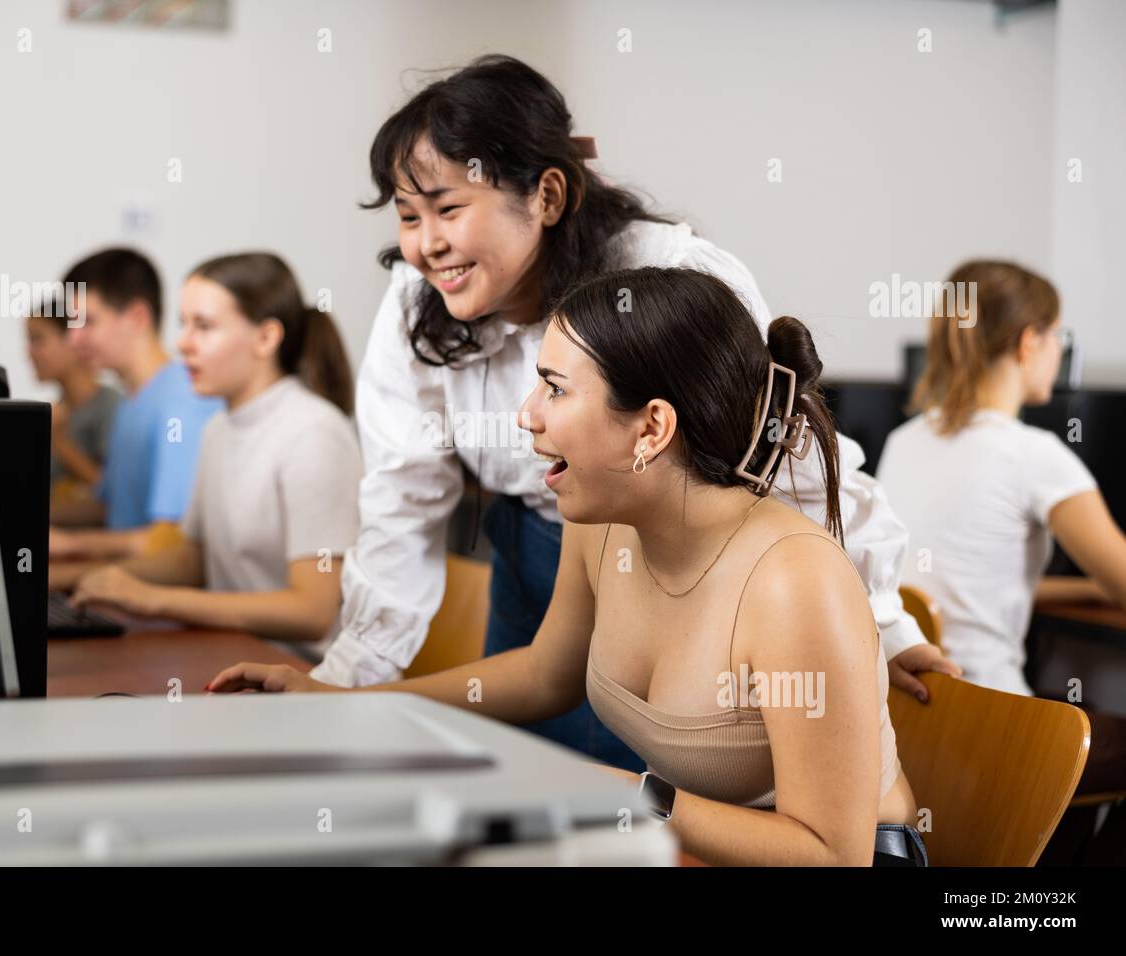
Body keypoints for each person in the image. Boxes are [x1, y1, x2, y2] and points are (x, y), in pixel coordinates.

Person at [307, 53, 952, 773]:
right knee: (518, 773)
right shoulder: (420, 298)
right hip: (541, 546)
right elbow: (401, 498)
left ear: (547, 196)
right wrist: (344, 683)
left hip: (671, 562)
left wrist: (882, 619)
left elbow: (784, 460)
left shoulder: (667, 279)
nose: (426, 244)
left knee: (636, 789)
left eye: (449, 209)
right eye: (407, 215)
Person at [208, 267, 923, 866]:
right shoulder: (604, 526)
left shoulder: (795, 584)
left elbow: (833, 852)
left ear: (652, 428)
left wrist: (623, 793)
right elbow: (542, 674)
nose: (526, 414)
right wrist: (345, 703)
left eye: (553, 388)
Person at [878, 260, 1126, 862]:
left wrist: (1071, 591)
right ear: (1027, 341)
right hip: (1000, 730)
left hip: (911, 729)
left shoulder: (903, 442)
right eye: (1057, 336)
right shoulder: (1035, 454)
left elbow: (953, 582)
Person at [69, 253, 361, 657]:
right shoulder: (219, 429)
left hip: (311, 677)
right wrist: (112, 578)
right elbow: (196, 558)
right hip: (237, 656)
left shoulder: (313, 433)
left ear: (265, 338)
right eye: (183, 324)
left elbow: (312, 611)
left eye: (203, 327)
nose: (181, 343)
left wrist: (155, 599)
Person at [49, 248, 222, 583]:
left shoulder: (182, 400)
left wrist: (70, 546)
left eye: (86, 322)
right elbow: (111, 508)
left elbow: (169, 540)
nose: (73, 339)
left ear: (137, 317)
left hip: (159, 610)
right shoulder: (132, 402)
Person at [24, 297, 120, 498]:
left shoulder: (112, 408)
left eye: (38, 339)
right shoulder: (54, 412)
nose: (29, 353)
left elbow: (117, 494)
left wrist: (59, 442)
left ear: (73, 339)